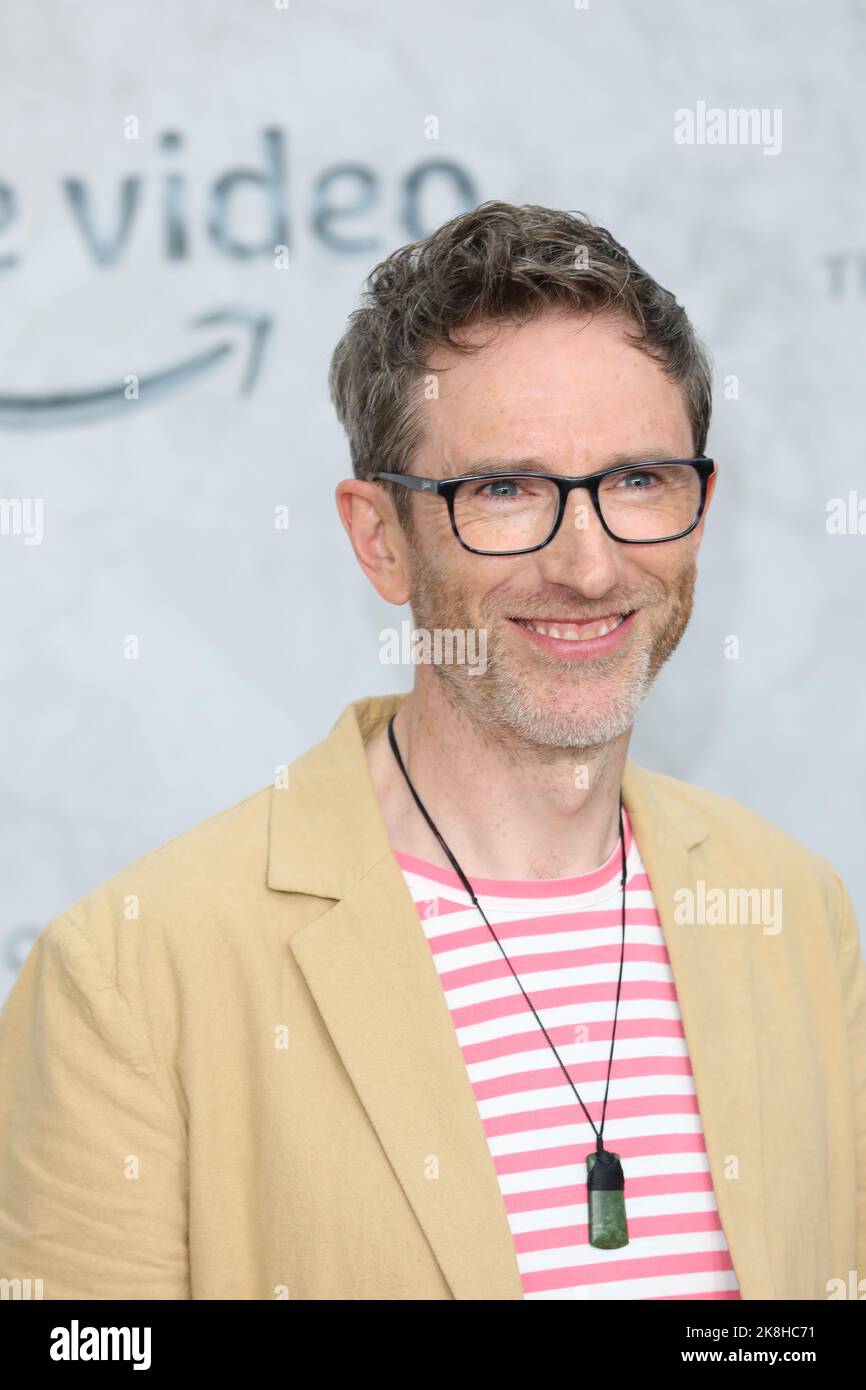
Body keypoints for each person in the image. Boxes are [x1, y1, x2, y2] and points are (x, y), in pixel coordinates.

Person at [0, 201, 863, 1301]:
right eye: (504, 491)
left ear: (700, 503)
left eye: (637, 480)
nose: (589, 568)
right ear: (378, 538)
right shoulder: (125, 976)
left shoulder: (794, 907)